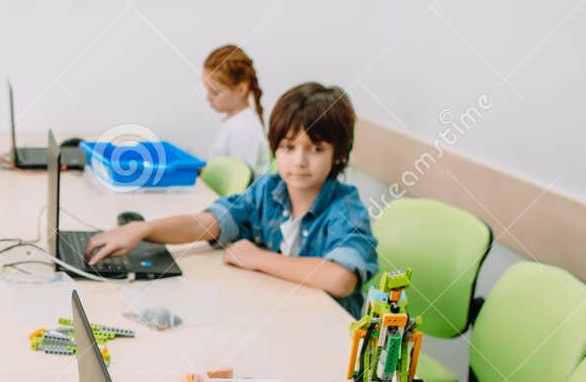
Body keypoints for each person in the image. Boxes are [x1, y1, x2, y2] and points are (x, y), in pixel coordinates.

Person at [86, 82, 375, 316]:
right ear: (275, 148)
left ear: (339, 155)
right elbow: (206, 223)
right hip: (278, 314)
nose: (299, 161)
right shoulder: (268, 191)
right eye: (289, 147)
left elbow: (341, 278)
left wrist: (258, 258)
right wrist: (143, 229)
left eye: (316, 149)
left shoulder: (346, 209)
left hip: (327, 331)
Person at [202, 43, 270, 178]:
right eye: (207, 89)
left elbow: (241, 183)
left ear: (241, 89)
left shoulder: (243, 130)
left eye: (215, 92)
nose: (208, 97)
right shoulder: (235, 122)